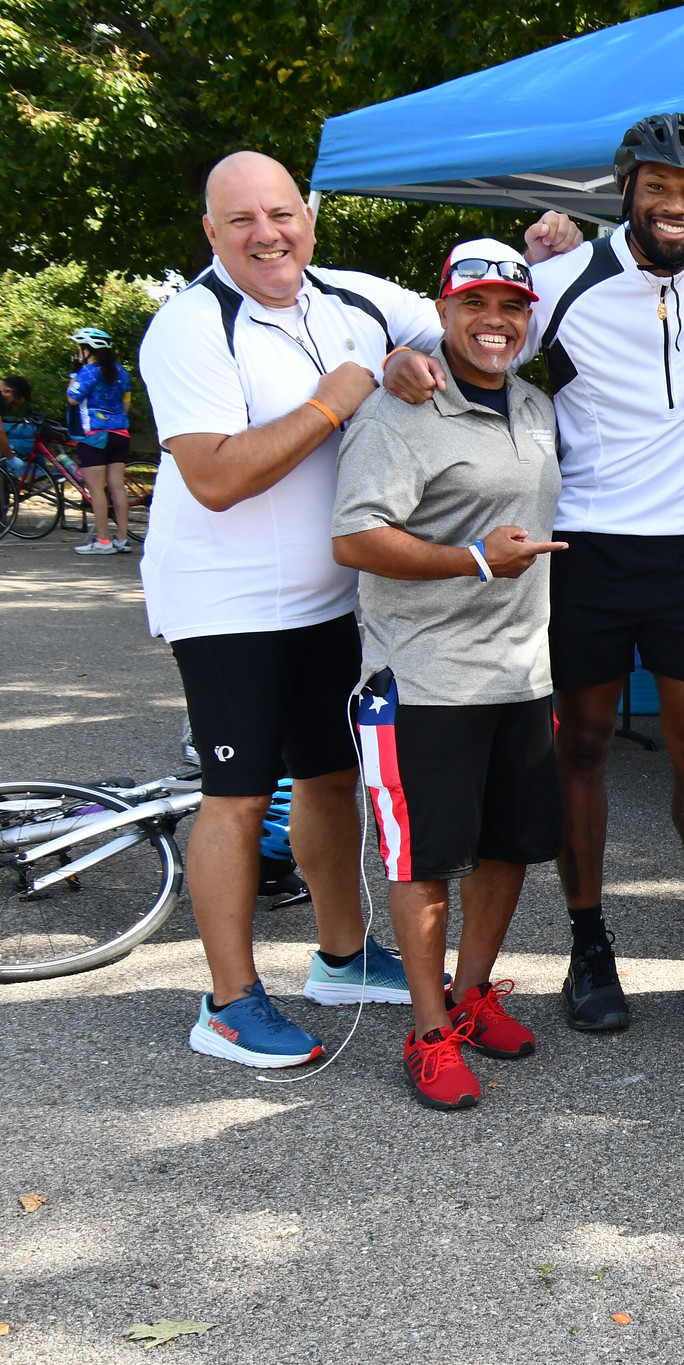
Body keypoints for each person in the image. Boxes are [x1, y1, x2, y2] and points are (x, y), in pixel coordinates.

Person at [389, 113, 684, 1035]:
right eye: (659, 188)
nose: (677, 206)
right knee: (582, 745)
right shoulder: (562, 281)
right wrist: (397, 360)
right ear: (627, 191)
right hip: (580, 546)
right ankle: (589, 947)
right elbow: (464, 333)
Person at [139, 151, 437, 1068]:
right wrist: (336, 397)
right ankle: (227, 1001)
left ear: (308, 216)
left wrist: (539, 257)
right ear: (211, 233)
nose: (267, 235)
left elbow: (468, 320)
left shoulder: (355, 297)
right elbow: (218, 477)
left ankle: (342, 959)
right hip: (226, 603)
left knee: (328, 777)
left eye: (281, 215)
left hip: (329, 598)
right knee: (235, 796)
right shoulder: (188, 327)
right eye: (242, 222)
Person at [330, 239, 566, 1110]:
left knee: (506, 850)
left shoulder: (536, 406)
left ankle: (472, 997)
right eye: (475, 303)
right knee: (426, 863)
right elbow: (355, 538)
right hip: (423, 680)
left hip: (520, 674)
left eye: (510, 304)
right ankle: (427, 1031)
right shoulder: (400, 412)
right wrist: (471, 559)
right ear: (443, 310)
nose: (494, 319)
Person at [65, 328, 134, 554]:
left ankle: (103, 541)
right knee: (117, 488)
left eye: (79, 349)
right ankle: (122, 540)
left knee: (97, 490)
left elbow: (72, 398)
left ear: (87, 350)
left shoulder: (87, 372)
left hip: (94, 435)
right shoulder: (123, 373)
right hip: (120, 434)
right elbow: (126, 405)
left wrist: (73, 373)